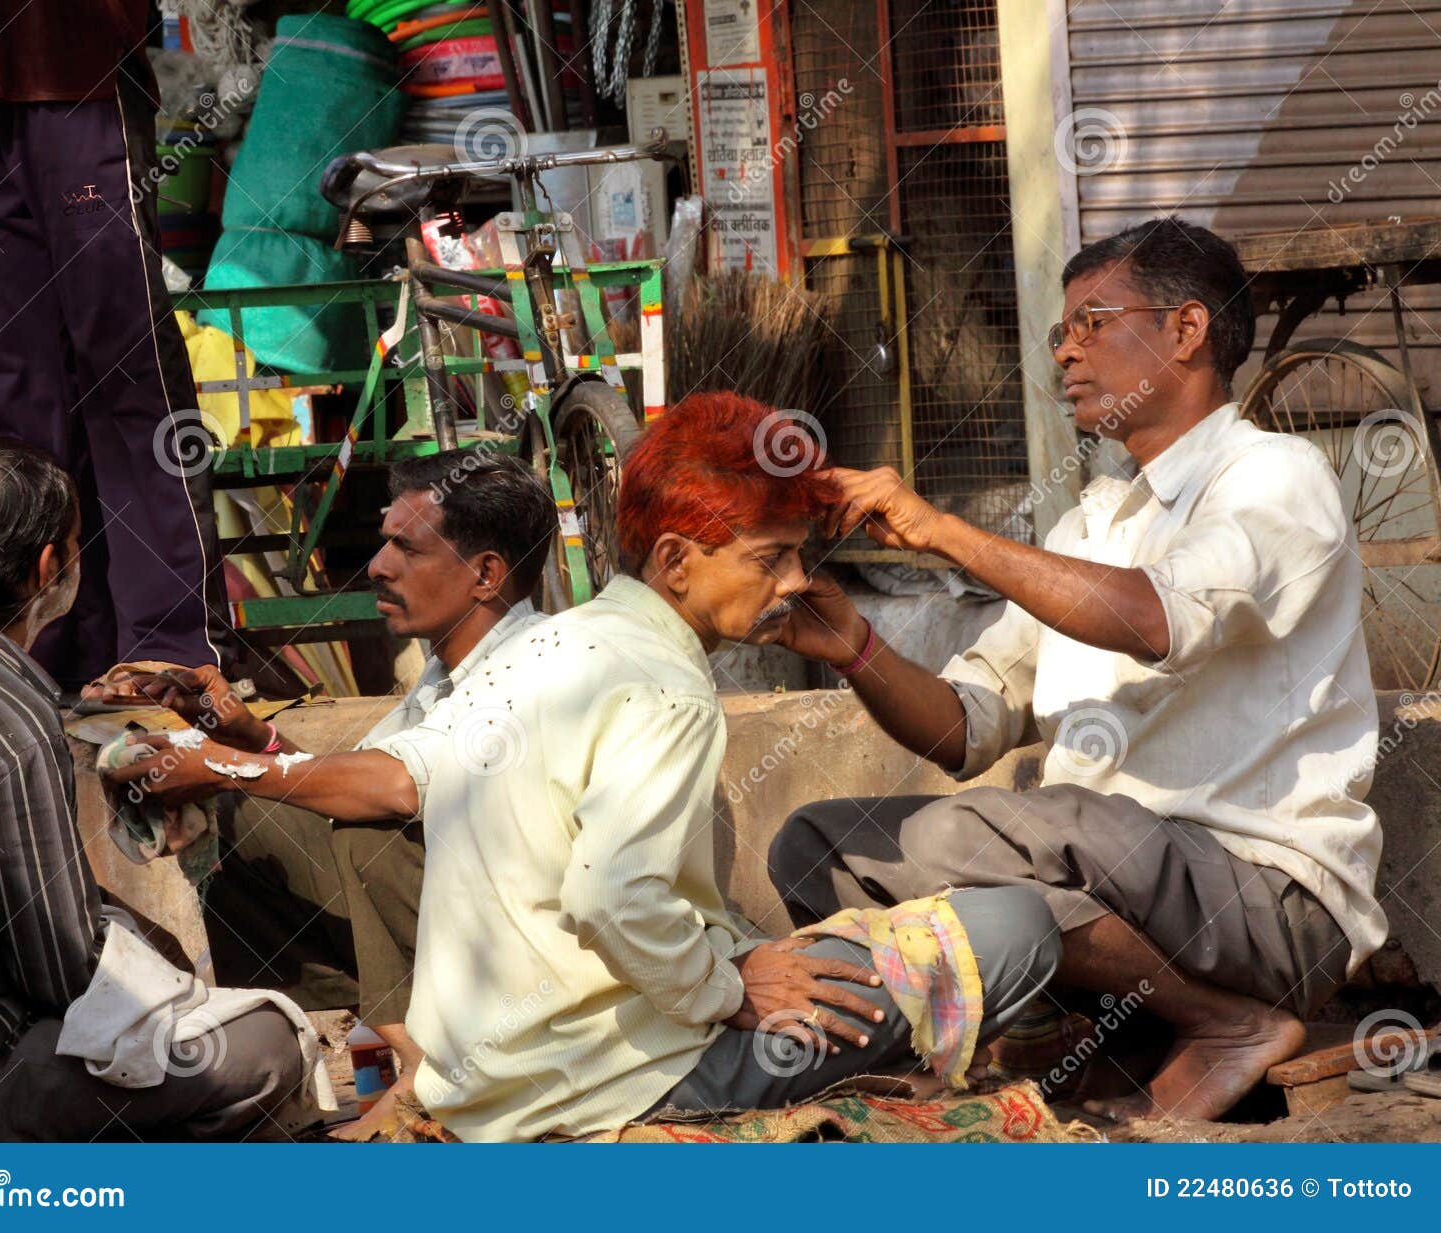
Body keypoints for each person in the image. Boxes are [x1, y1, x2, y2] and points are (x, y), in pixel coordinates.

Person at [108, 394, 1061, 1142]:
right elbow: (612, 897)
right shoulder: (670, 691)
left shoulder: (548, 643)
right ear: (677, 560)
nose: (795, 583)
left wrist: (229, 755)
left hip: (488, 1078)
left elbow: (410, 780)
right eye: (771, 558)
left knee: (829, 946)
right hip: (612, 1081)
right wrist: (732, 989)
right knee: (1013, 925)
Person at [768, 217, 1384, 1122]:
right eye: (1062, 331)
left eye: (1092, 322)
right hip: (1106, 884)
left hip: (1266, 904)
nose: (1064, 350)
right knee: (819, 849)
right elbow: (964, 729)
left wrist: (942, 531)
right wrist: (854, 645)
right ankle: (1040, 1030)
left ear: (1186, 329)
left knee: (1029, 827)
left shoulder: (1274, 476)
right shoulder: (1087, 525)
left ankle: (1225, 1021)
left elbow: (1156, 615)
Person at [0, 439, 300, 1141]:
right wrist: (161, 968)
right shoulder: (5, 722)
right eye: (76, 545)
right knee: (267, 1045)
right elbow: (62, 974)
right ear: (49, 566)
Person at [127, 450, 555, 1133]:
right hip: (461, 922)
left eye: (406, 548)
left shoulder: (529, 666)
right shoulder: (447, 666)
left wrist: (219, 762)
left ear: (485, 574)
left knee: (368, 831)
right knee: (245, 817)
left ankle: (426, 1072)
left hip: (530, 952)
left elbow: (394, 786)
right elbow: (357, 772)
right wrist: (248, 737)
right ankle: (338, 1040)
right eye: (384, 543)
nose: (378, 566)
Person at [0, 0, 233, 695]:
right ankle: (60, 647)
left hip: (77, 74)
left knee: (124, 366)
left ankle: (173, 648)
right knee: (23, 393)